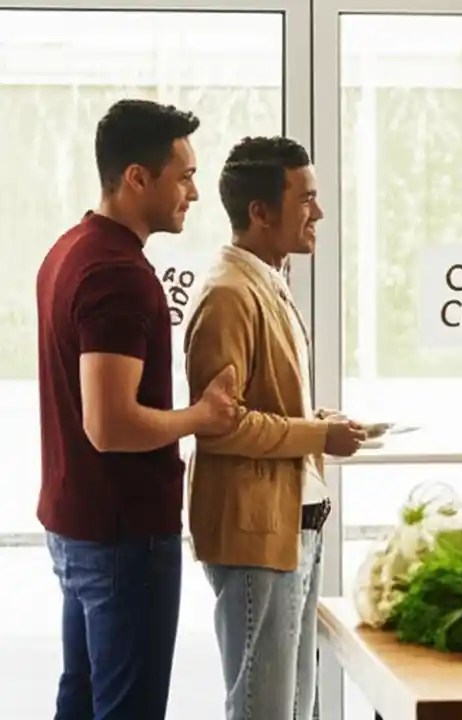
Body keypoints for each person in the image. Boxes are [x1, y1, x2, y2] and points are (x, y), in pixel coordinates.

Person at [36, 98, 238, 720]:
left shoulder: (69, 249)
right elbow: (111, 424)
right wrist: (201, 417)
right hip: (122, 536)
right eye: (184, 177)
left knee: (84, 698)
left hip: (80, 526)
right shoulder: (116, 274)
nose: (196, 194)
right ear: (136, 179)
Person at [184, 136, 366, 720]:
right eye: (306, 199)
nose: (318, 212)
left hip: (293, 526)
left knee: (293, 705)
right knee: (264, 708)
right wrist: (317, 436)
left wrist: (319, 422)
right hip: (256, 532)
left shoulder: (268, 280)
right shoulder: (230, 293)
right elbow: (221, 427)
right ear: (260, 212)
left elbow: (265, 405)